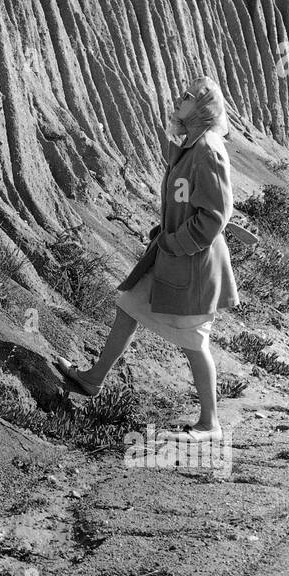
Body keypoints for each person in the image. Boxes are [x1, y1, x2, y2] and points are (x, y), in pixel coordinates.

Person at [60, 75, 239, 442]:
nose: (178, 98)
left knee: (194, 339)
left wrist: (175, 241)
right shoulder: (189, 145)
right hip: (172, 254)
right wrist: (166, 236)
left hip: (195, 264)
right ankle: (93, 379)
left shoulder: (208, 149)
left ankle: (210, 424)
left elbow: (215, 216)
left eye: (187, 96)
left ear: (203, 107)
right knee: (129, 306)